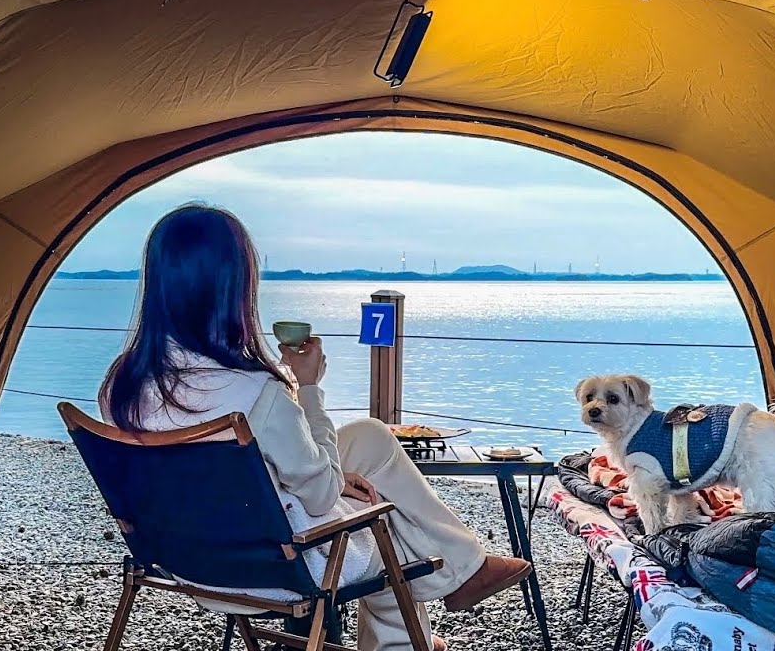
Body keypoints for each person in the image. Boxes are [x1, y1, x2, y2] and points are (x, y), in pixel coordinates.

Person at [97, 203, 532, 651]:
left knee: (369, 436)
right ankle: (414, 628)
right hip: (275, 569)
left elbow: (226, 471)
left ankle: (463, 569)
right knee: (388, 520)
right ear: (235, 288)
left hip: (184, 555)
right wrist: (306, 387)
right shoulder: (254, 392)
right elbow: (321, 493)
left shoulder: (122, 383)